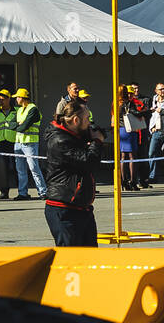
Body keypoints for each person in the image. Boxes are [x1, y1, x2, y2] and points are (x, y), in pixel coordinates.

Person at [43, 98, 107, 247]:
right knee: (70, 262)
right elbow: (89, 162)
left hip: (81, 208)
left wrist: (96, 135)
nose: (89, 124)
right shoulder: (59, 140)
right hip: (63, 209)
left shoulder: (74, 135)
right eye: (87, 119)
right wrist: (97, 142)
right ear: (76, 120)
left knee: (89, 259)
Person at [12, 88, 47, 199]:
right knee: (20, 170)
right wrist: (19, 125)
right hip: (18, 143)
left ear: (22, 98)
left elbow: (24, 126)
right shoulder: (19, 110)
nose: (16, 99)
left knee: (33, 168)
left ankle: (43, 192)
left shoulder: (33, 109)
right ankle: (23, 193)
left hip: (30, 143)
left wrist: (19, 125)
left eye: (17, 97)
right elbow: (10, 124)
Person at [0, 89, 18, 198]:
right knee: (3, 169)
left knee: (17, 167)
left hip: (14, 142)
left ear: (8, 99)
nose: (0, 102)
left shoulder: (17, 111)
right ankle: (4, 191)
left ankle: (22, 190)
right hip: (0, 143)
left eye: (3, 99)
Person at [113, 85, 141, 190]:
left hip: (120, 130)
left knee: (123, 156)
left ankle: (123, 181)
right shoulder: (127, 103)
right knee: (132, 156)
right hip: (129, 129)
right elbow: (136, 113)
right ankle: (133, 181)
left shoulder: (115, 103)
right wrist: (146, 112)